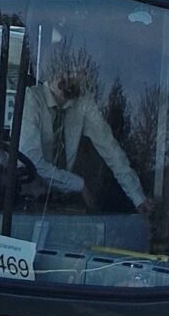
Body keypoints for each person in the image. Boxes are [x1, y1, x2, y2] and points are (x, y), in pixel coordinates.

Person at [18, 59, 150, 215]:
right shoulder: (32, 99)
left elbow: (111, 149)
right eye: (69, 71)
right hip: (24, 201)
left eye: (82, 72)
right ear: (54, 71)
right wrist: (78, 185)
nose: (76, 76)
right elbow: (31, 162)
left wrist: (138, 198)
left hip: (61, 204)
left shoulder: (83, 104)